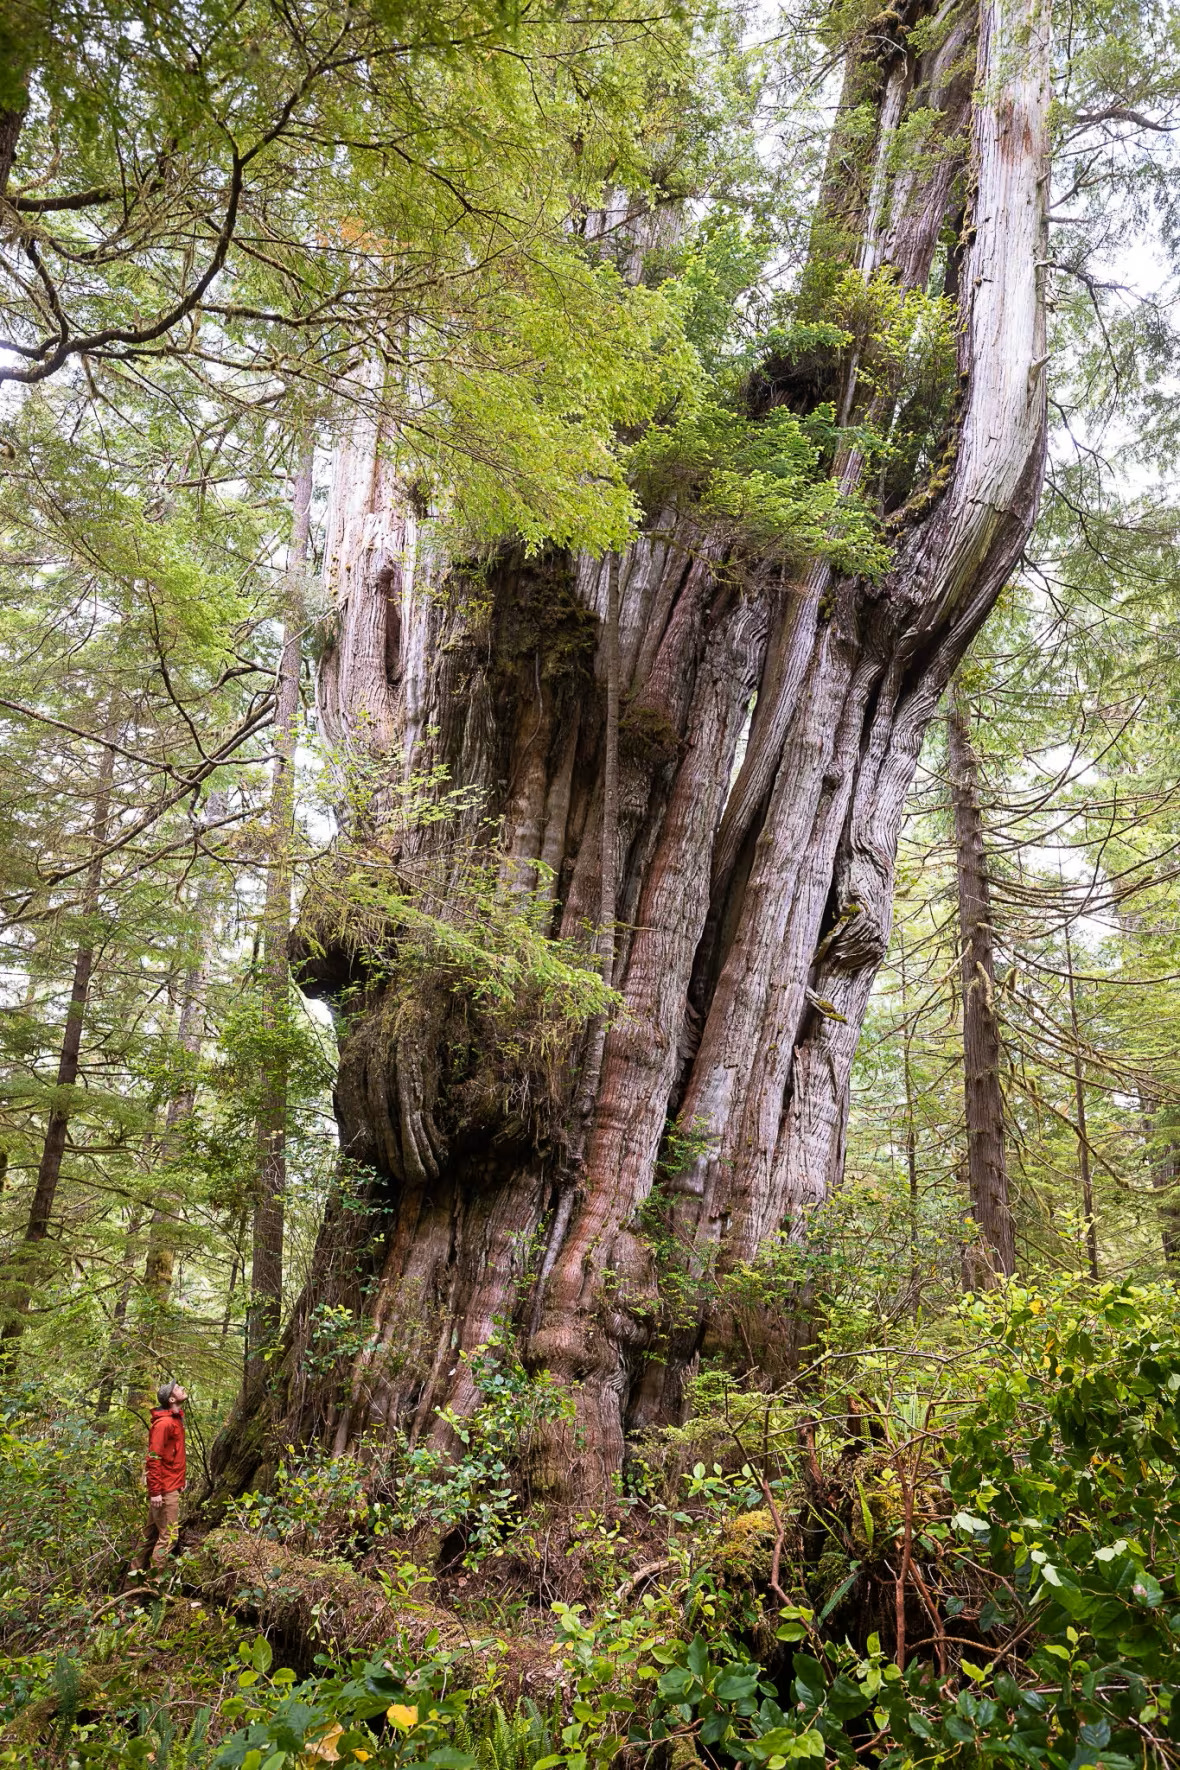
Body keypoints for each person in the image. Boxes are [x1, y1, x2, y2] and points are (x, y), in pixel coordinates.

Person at [136, 1379, 187, 1574]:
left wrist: (181, 1480)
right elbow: (154, 1458)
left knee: (150, 1536)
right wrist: (155, 1491)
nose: (182, 1388)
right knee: (169, 1536)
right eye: (177, 1388)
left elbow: (172, 1455)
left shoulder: (174, 1419)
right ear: (172, 1398)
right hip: (164, 1490)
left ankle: (131, 1586)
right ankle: (154, 1587)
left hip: (171, 1484)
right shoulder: (164, 1424)